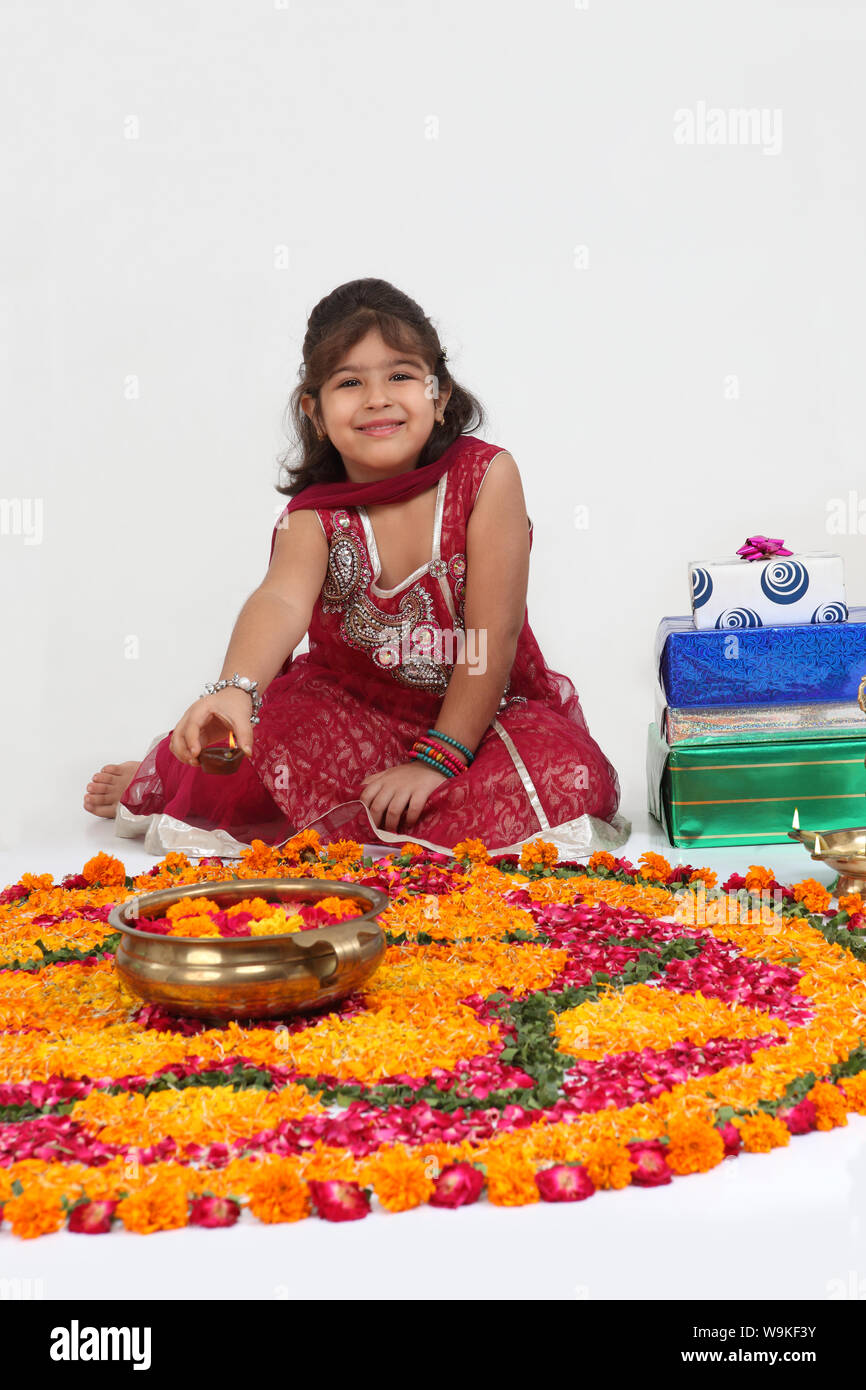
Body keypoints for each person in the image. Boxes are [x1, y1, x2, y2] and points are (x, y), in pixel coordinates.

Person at [85, 278, 629, 858]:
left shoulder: (485, 478)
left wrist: (437, 760)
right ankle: (163, 773)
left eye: (401, 376)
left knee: (571, 777)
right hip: (349, 714)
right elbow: (279, 601)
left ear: (440, 394)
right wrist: (235, 689)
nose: (377, 399)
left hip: (480, 713)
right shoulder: (314, 516)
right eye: (349, 382)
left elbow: (491, 637)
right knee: (233, 761)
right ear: (315, 411)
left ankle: (408, 798)